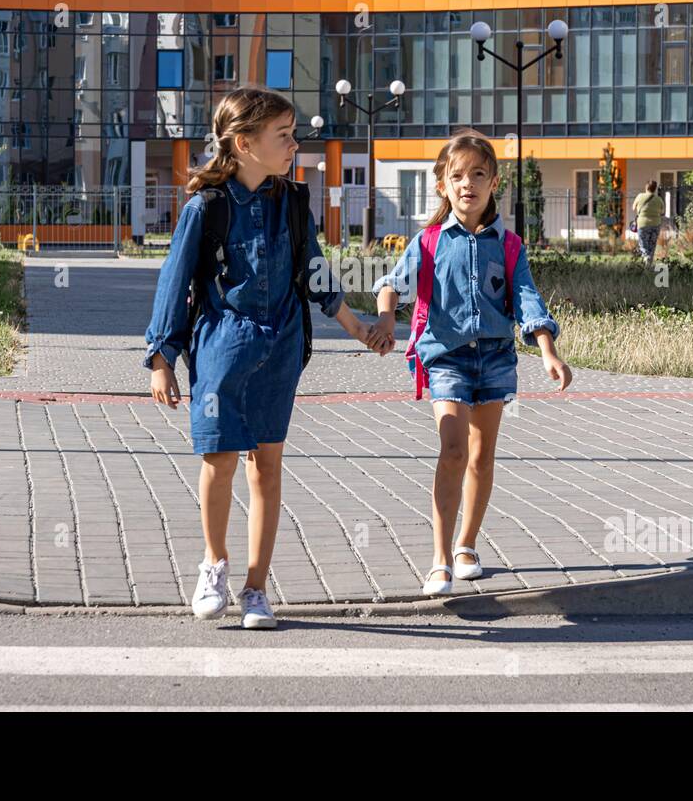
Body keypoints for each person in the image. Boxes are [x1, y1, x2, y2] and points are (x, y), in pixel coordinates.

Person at [144, 86, 378, 629]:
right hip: (222, 349)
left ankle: (255, 589)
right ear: (245, 143)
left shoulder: (294, 203)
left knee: (266, 467)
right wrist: (162, 358)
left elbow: (316, 275)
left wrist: (357, 326)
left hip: (281, 349)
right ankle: (213, 566)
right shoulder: (207, 208)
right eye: (284, 135)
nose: (295, 144)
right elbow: (174, 282)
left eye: (294, 133)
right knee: (219, 460)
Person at [367, 130, 573, 596]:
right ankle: (439, 559)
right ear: (442, 184)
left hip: (497, 359)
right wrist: (384, 321)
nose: (467, 184)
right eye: (456, 175)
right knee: (454, 451)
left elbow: (526, 298)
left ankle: (466, 545)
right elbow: (391, 285)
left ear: (493, 182)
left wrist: (547, 350)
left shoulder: (509, 244)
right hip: (446, 360)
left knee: (481, 458)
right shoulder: (428, 241)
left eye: (478, 174)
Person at [632, 180, 664, 266]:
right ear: (655, 189)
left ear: (646, 187)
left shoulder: (640, 196)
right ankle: (649, 265)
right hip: (656, 224)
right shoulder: (659, 199)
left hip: (643, 224)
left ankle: (646, 259)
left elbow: (633, 208)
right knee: (652, 245)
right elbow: (662, 212)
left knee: (643, 245)